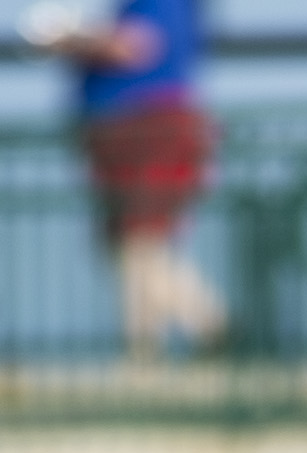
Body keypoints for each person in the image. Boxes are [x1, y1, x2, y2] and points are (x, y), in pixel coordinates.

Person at [23, 0, 222, 357]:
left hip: (147, 129)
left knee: (138, 242)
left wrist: (68, 39)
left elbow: (133, 46)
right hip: (133, 130)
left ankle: (204, 329)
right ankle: (174, 342)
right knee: (129, 244)